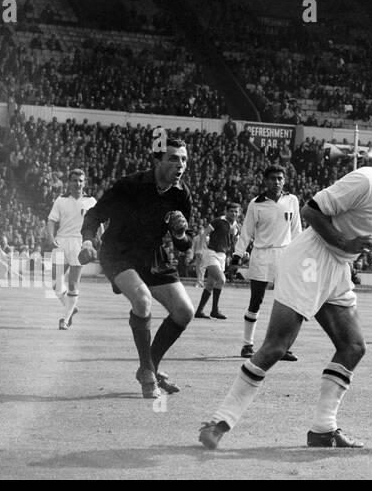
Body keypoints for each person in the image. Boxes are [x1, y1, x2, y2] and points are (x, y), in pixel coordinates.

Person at [198, 150, 372, 450]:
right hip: (309, 258)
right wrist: (347, 242)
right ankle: (219, 422)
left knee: (353, 347)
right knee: (276, 347)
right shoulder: (367, 180)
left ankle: (323, 430)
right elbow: (311, 211)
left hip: (337, 268)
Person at [78, 137, 196, 398]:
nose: (181, 165)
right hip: (117, 252)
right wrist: (88, 240)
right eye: (174, 158)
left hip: (153, 255)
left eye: (184, 159)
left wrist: (179, 233)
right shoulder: (130, 185)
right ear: (158, 160)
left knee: (185, 312)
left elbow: (185, 245)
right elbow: (95, 215)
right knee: (142, 300)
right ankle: (147, 372)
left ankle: (150, 365)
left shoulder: (182, 194)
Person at [237, 166, 302, 361]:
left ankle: (282, 347)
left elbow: (297, 229)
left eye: (280, 178)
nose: (276, 182)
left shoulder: (292, 201)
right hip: (261, 255)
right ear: (265, 181)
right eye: (272, 178)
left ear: (285, 180)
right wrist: (237, 254)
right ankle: (247, 345)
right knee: (256, 301)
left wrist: (299, 254)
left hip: (285, 255)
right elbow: (246, 231)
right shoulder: (256, 204)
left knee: (288, 303)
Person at [45, 168, 95, 330]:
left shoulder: (90, 201)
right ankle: (70, 307)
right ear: (69, 182)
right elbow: (51, 221)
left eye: (80, 180)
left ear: (84, 182)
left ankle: (65, 319)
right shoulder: (60, 200)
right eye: (74, 180)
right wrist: (51, 237)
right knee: (55, 283)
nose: (77, 183)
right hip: (61, 242)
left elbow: (97, 223)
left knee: (73, 285)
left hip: (79, 243)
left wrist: (98, 240)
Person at [194, 200, 240, 320]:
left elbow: (234, 243)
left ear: (239, 213)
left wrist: (240, 252)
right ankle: (215, 310)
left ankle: (199, 311)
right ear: (227, 212)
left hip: (222, 256)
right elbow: (204, 234)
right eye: (231, 211)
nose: (234, 213)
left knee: (210, 284)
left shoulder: (236, 227)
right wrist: (201, 249)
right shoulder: (219, 221)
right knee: (222, 279)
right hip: (211, 253)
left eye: (236, 211)